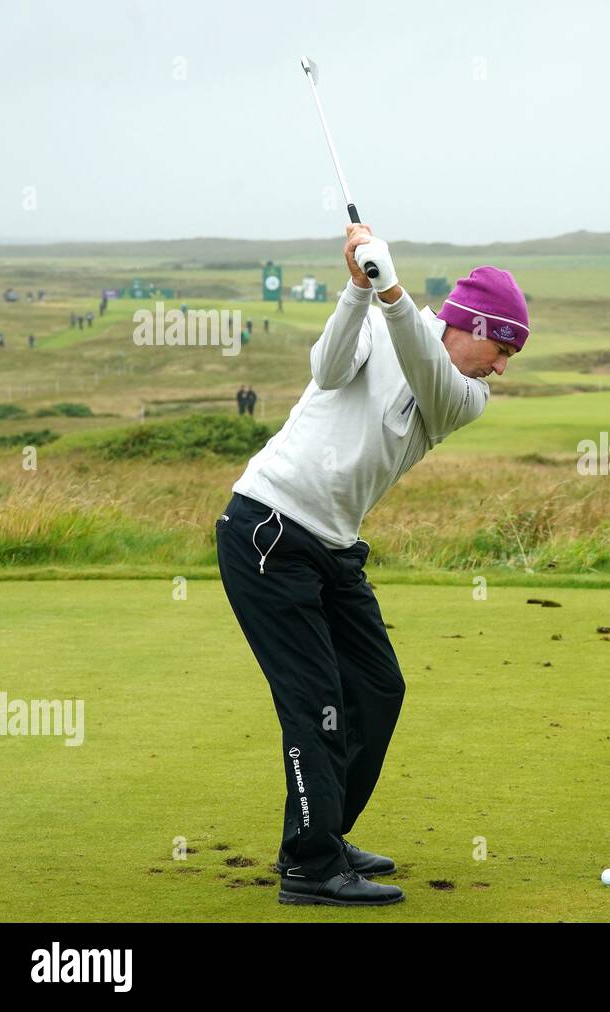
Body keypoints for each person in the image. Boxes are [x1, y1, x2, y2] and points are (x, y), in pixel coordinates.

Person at [215, 225, 527, 908]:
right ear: (471, 325)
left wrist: (386, 288)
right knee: (316, 703)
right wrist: (358, 290)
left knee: (378, 689)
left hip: (332, 547)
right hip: (267, 529)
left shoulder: (462, 394)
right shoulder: (393, 320)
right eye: (501, 348)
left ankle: (318, 834)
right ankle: (311, 868)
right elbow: (327, 369)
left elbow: (424, 365)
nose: (502, 368)